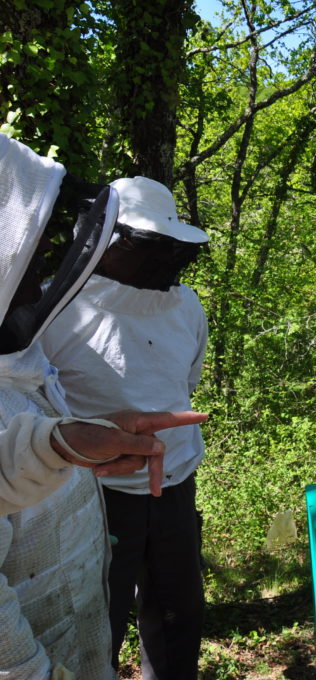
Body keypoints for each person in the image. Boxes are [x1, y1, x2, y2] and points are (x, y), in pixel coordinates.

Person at [0, 134, 207, 679]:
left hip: (174, 481)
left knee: (178, 612)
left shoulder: (187, 305)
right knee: (100, 615)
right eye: (142, 242)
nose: (155, 255)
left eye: (164, 245)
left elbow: (186, 379)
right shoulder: (53, 306)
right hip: (93, 490)